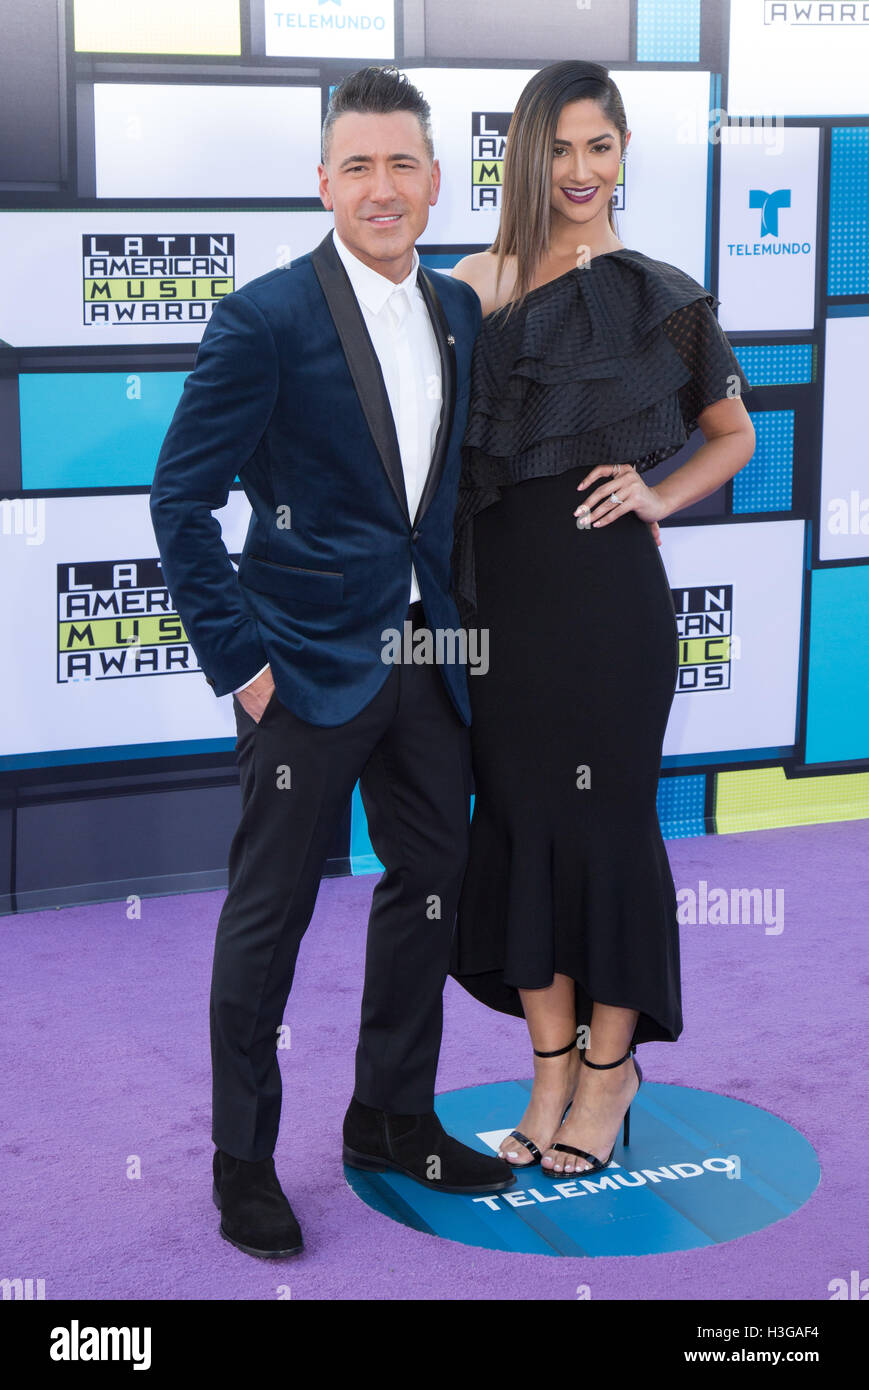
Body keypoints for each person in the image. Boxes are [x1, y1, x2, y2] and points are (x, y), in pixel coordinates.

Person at [149, 65, 515, 1260]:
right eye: (355, 164)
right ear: (321, 182)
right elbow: (179, 502)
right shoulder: (265, 319)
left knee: (426, 886)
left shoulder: (458, 309)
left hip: (423, 651)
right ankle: (242, 1162)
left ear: (433, 177)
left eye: (401, 162)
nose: (380, 186)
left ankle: (390, 1121)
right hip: (298, 667)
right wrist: (242, 668)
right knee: (269, 920)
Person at [449, 61, 755, 1177]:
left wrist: (655, 494)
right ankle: (546, 1066)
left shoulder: (657, 294)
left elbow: (733, 435)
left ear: (622, 151)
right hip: (501, 610)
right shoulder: (471, 286)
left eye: (599, 146)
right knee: (523, 816)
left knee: (611, 829)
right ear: (524, 156)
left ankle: (609, 1068)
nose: (578, 172)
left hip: (610, 609)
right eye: (558, 149)